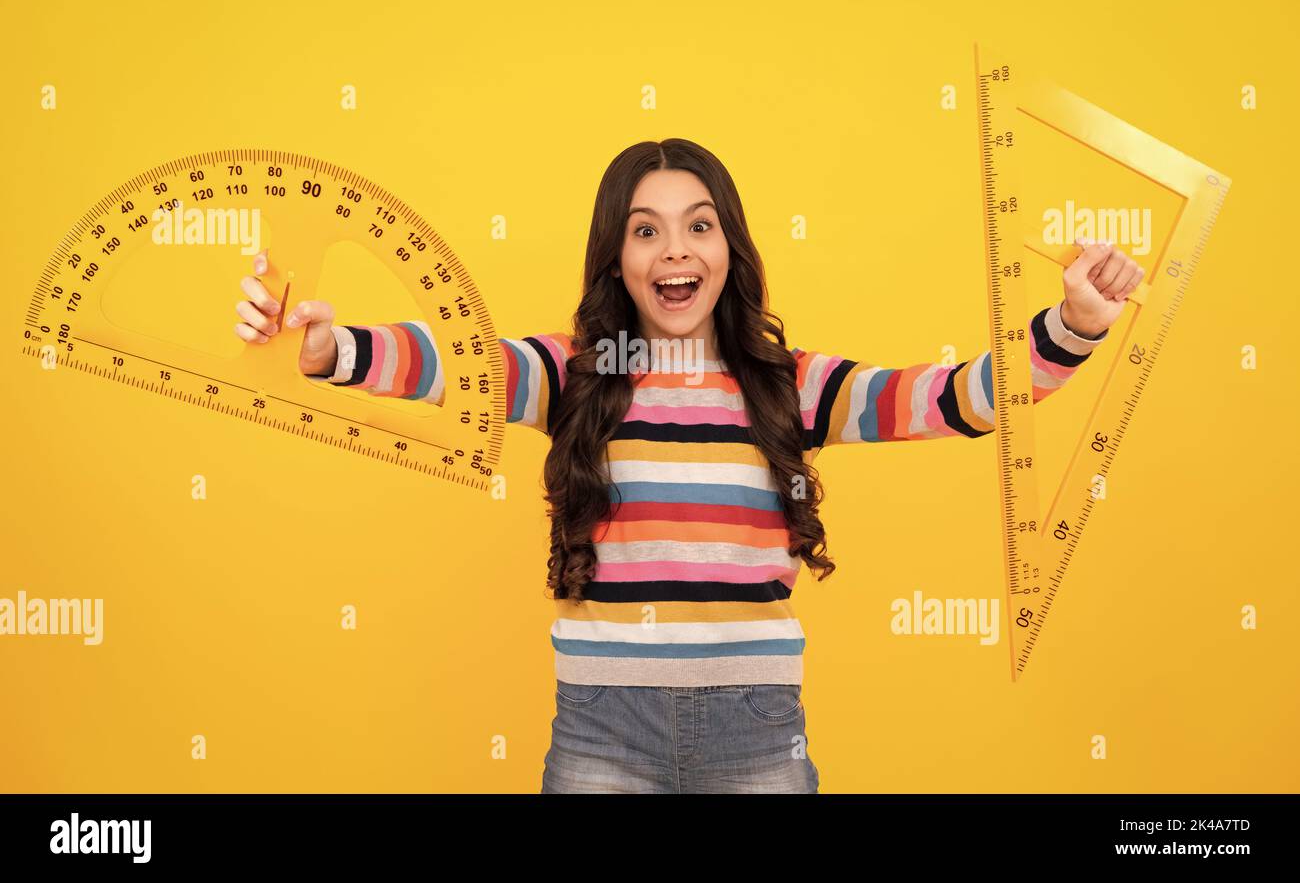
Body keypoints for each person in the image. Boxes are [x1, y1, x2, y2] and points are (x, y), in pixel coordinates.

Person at [233, 138, 1143, 793]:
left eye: (698, 226)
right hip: (599, 734)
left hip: (759, 739)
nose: (674, 248)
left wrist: (1074, 328)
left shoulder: (792, 386)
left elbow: (955, 398)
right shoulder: (573, 375)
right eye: (645, 231)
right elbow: (447, 361)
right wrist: (327, 348)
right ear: (618, 262)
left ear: (728, 249)